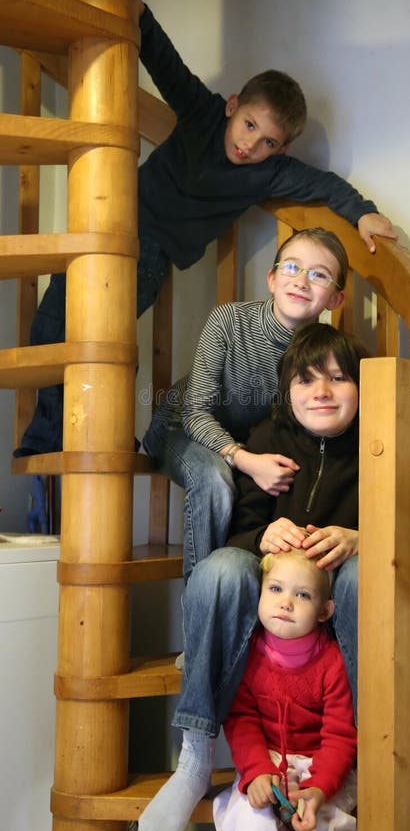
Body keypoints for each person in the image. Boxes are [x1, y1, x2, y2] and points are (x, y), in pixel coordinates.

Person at [14, 0, 396, 457]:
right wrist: (138, 12)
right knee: (50, 328)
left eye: (267, 141)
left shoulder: (269, 172)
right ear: (232, 106)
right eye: (248, 124)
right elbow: (165, 65)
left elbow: (324, 184)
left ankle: (106, 434)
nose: (250, 144)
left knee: (106, 343)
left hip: (150, 255)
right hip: (106, 227)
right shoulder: (201, 113)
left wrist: (362, 212)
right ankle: (43, 438)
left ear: (281, 148)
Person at [137, 322, 366, 831]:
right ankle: (195, 759)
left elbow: (408, 529)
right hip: (274, 619)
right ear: (287, 392)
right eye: (306, 381)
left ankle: (360, 754)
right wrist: (264, 534)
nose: (322, 392)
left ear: (360, 387)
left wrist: (360, 537)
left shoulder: (377, 444)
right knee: (220, 567)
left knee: (360, 574)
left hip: (331, 611)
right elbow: (238, 534)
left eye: (337, 379)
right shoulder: (268, 439)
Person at [143, 227, 348, 583]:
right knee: (214, 477)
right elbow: (195, 412)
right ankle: (208, 594)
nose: (302, 280)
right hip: (181, 430)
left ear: (334, 299)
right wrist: (244, 460)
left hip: (247, 448)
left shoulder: (318, 353)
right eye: (291, 267)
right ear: (271, 278)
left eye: (319, 275)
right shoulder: (229, 321)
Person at [213, 548, 357, 831]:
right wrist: (256, 771)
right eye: (276, 589)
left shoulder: (333, 662)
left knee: (325, 826)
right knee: (251, 818)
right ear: (260, 594)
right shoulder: (248, 654)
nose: (286, 603)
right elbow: (241, 720)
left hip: (321, 767)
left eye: (302, 595)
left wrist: (318, 788)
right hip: (265, 760)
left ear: (324, 611)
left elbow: (340, 736)